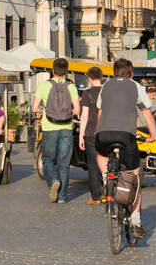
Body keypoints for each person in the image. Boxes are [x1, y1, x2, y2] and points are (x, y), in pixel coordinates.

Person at [94, 58, 156, 238]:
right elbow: (147, 114)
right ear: (131, 74)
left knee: (100, 153)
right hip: (125, 136)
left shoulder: (105, 87)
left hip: (103, 133)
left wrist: (98, 134)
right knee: (134, 177)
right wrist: (153, 136)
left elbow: (100, 112)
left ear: (113, 73)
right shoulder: (136, 87)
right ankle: (136, 222)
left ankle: (107, 179)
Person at [32, 57, 79, 204]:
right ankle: (63, 197)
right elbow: (77, 110)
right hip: (66, 128)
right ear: (66, 71)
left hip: (49, 128)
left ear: (52, 70)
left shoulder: (44, 86)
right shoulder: (71, 87)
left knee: (47, 159)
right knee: (64, 163)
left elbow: (34, 108)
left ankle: (53, 180)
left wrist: (44, 110)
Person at [76, 66, 106, 205]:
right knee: (108, 162)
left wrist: (81, 135)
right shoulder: (108, 91)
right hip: (107, 132)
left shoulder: (86, 93)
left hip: (91, 133)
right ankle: (110, 190)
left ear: (89, 78)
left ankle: (96, 196)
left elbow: (84, 116)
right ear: (101, 77)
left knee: (93, 164)